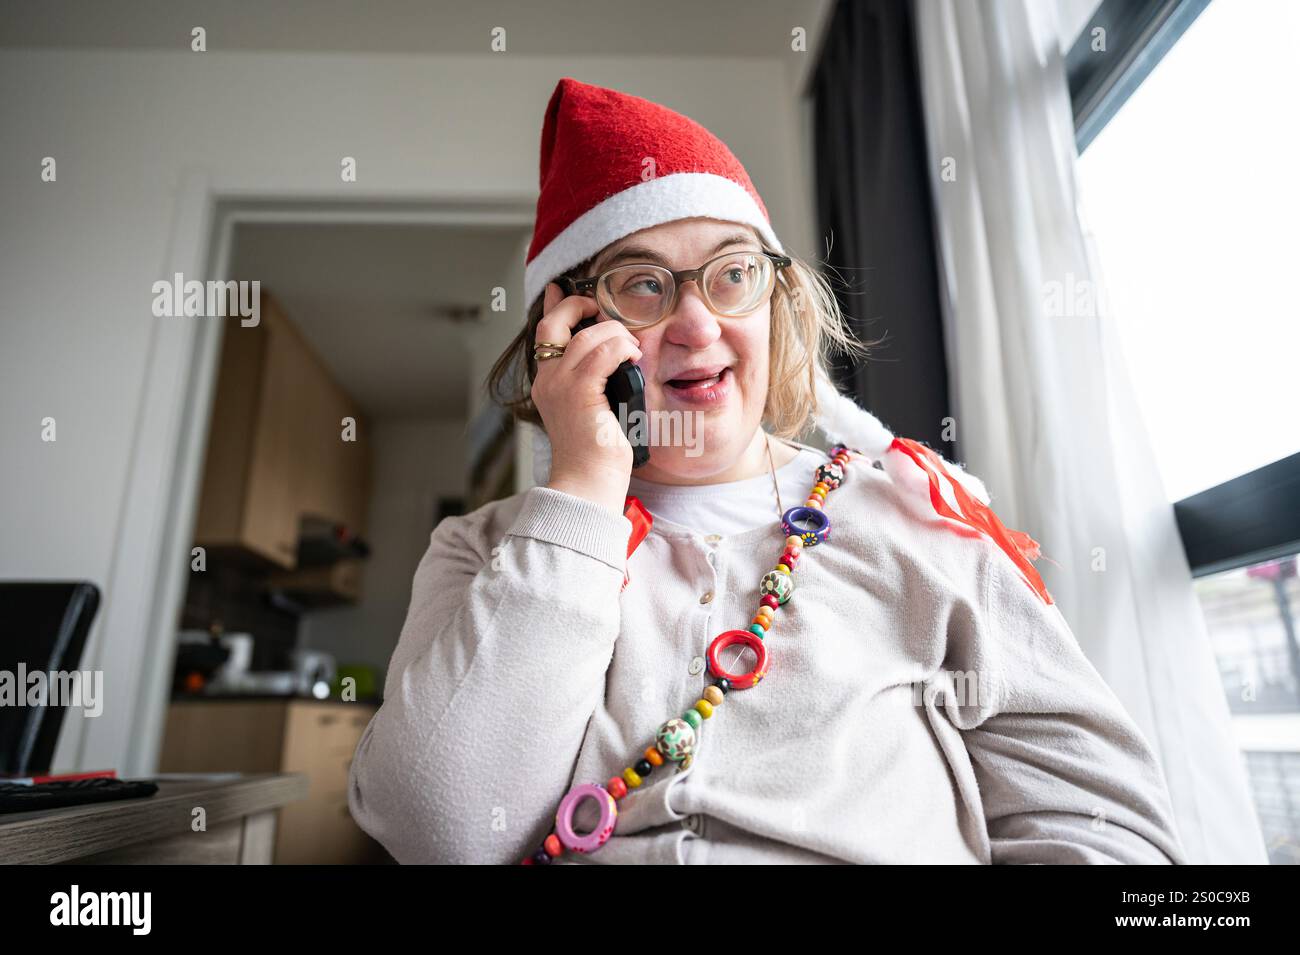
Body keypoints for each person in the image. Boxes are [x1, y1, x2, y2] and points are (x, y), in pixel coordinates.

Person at [347, 77, 1187, 865]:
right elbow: (441, 830)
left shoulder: (923, 517)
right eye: (641, 285)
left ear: (776, 300)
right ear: (566, 328)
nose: (695, 322)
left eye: (733, 273)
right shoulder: (479, 549)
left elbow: (1107, 826)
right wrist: (583, 492)